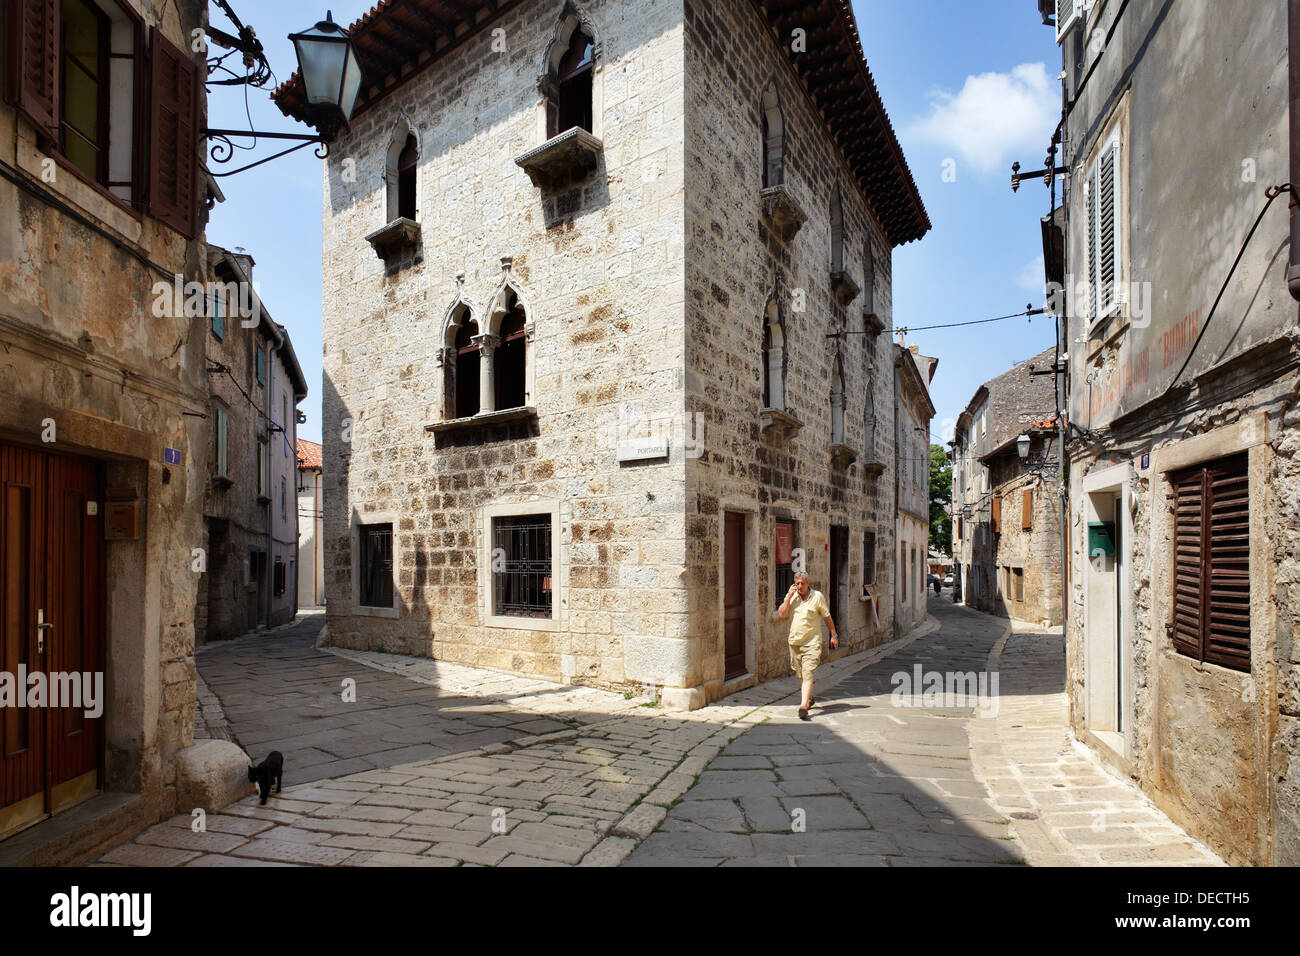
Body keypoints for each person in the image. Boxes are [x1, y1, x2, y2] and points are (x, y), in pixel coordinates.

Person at [778, 571, 838, 721]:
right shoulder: (792, 597)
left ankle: (804, 706)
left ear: (808, 583)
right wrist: (788, 598)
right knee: (800, 674)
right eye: (797, 583)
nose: (799, 586)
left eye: (802, 584)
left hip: (812, 643)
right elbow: (782, 614)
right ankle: (809, 698)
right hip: (795, 643)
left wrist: (834, 634)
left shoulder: (817, 597)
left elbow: (827, 617)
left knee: (808, 673)